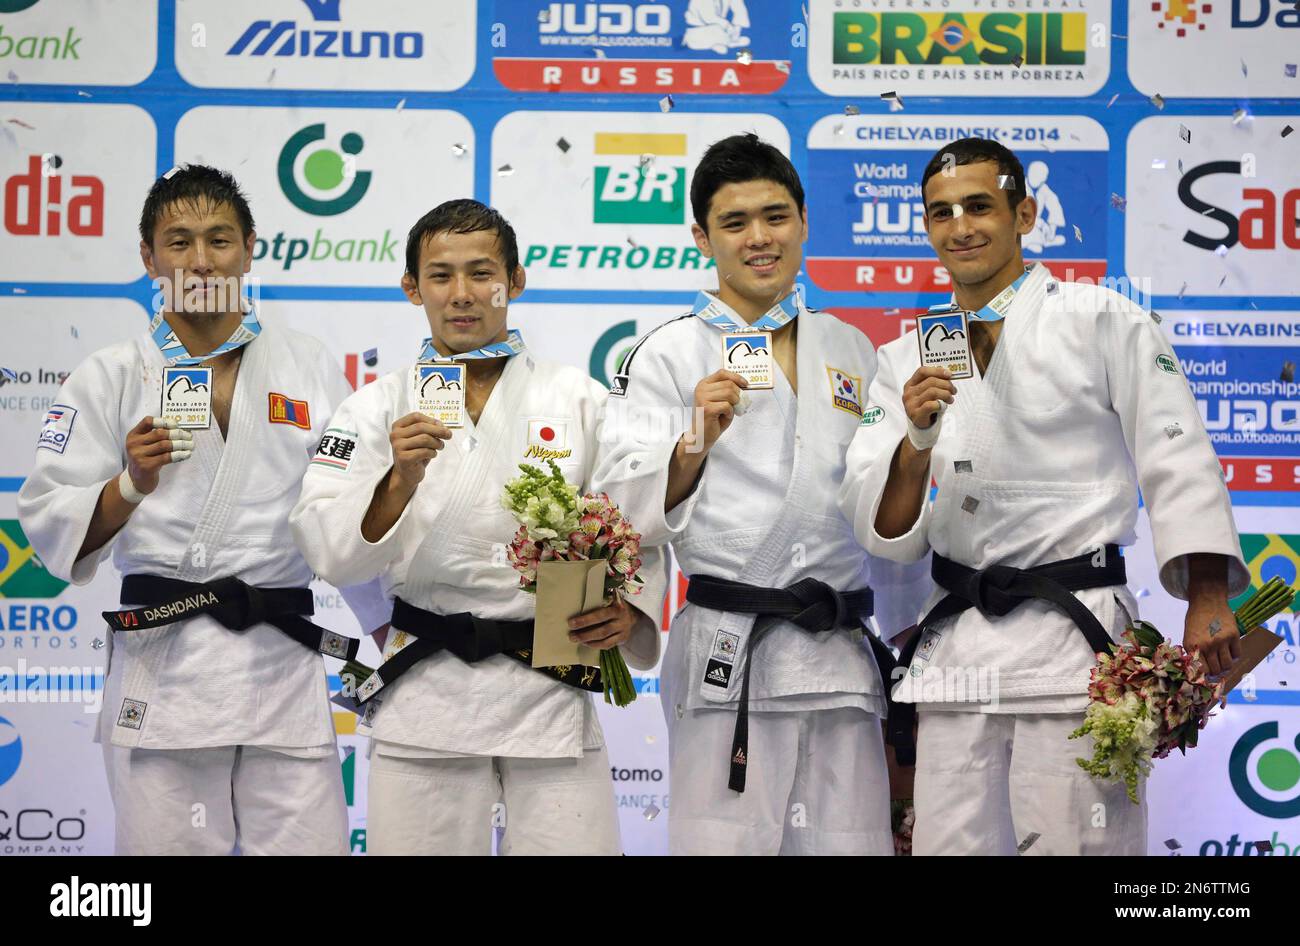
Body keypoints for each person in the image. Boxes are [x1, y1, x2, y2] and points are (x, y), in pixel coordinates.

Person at [839, 137, 1247, 856]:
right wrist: (917, 437)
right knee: (946, 847)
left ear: (1024, 213)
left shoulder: (1102, 319)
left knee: (1076, 845)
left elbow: (1175, 448)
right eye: (941, 213)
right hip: (960, 647)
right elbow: (882, 527)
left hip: (1075, 638)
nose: (960, 226)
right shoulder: (907, 356)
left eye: (979, 206)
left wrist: (1207, 592)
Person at [17, 165, 387, 855]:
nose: (200, 259)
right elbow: (47, 518)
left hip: (280, 658)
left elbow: (345, 510)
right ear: (148, 258)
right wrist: (129, 484)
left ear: (250, 248)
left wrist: (392, 625)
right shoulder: (110, 375)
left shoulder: (307, 367)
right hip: (167, 663)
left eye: (219, 239)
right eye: (178, 241)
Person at [290, 199, 667, 856]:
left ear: (514, 281)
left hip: (549, 684)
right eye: (440, 275)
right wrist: (398, 480)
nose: (462, 295)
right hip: (427, 690)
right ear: (412, 288)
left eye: (481, 273)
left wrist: (629, 613)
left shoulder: (580, 399)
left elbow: (634, 521)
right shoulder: (371, 408)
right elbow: (325, 547)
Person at [593, 134, 931, 856]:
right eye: (735, 223)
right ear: (701, 238)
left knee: (850, 844)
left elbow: (878, 500)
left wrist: (911, 636)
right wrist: (693, 441)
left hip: (837, 651)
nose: (759, 239)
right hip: (730, 647)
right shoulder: (668, 351)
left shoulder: (849, 346)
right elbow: (621, 508)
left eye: (775, 217)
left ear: (805, 222)